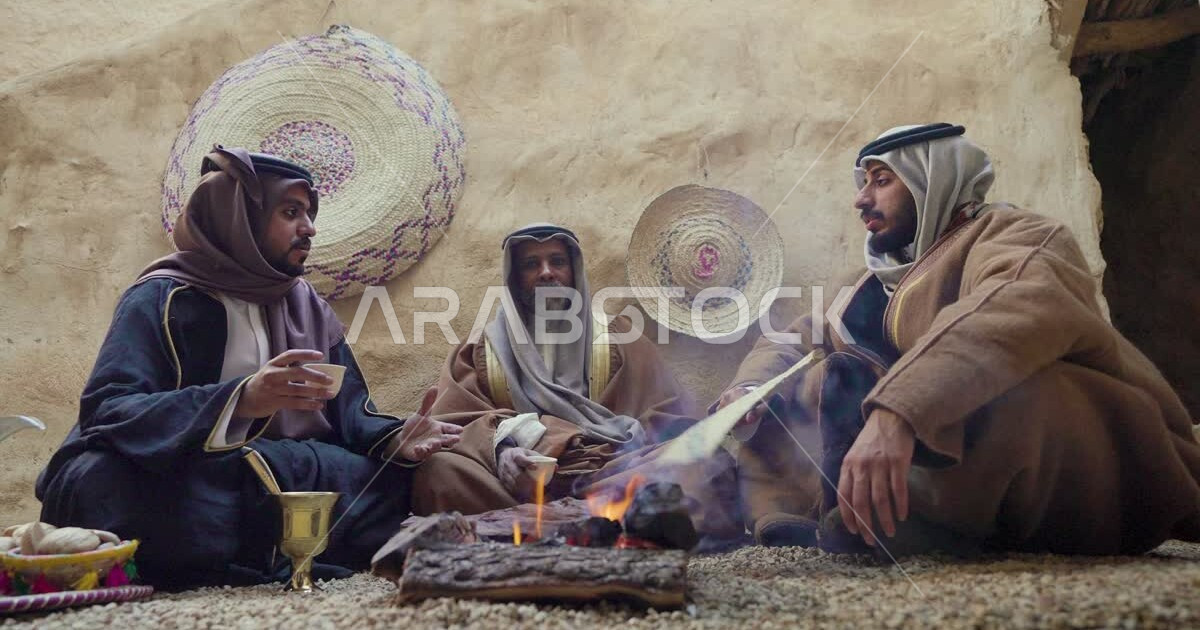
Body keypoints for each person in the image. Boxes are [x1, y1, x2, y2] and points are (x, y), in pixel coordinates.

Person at [716, 123, 1200, 554]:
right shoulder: (862, 284)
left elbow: (1008, 313)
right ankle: (833, 512)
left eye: (882, 181)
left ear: (933, 180)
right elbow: (790, 341)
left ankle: (895, 513)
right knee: (808, 386)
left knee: (1012, 391)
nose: (861, 199)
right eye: (863, 184)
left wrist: (899, 410)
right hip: (931, 458)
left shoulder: (1018, 236)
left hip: (1088, 452)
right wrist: (748, 390)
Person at [36, 147, 463, 589]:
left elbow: (350, 411)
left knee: (388, 482)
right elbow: (109, 409)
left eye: (309, 213)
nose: (309, 228)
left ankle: (256, 552)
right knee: (102, 485)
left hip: (290, 473)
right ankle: (275, 552)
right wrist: (240, 401)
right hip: (190, 470)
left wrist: (397, 437)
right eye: (291, 212)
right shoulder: (163, 297)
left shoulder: (308, 307)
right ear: (239, 216)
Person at [411, 224, 741, 540]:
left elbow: (669, 418)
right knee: (439, 471)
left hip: (612, 472)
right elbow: (452, 426)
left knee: (708, 461)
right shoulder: (480, 350)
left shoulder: (619, 336)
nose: (546, 272)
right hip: (517, 486)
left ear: (574, 271)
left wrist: (628, 439)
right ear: (514, 277)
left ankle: (534, 526)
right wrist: (502, 449)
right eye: (530, 264)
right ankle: (603, 523)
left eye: (556, 261)